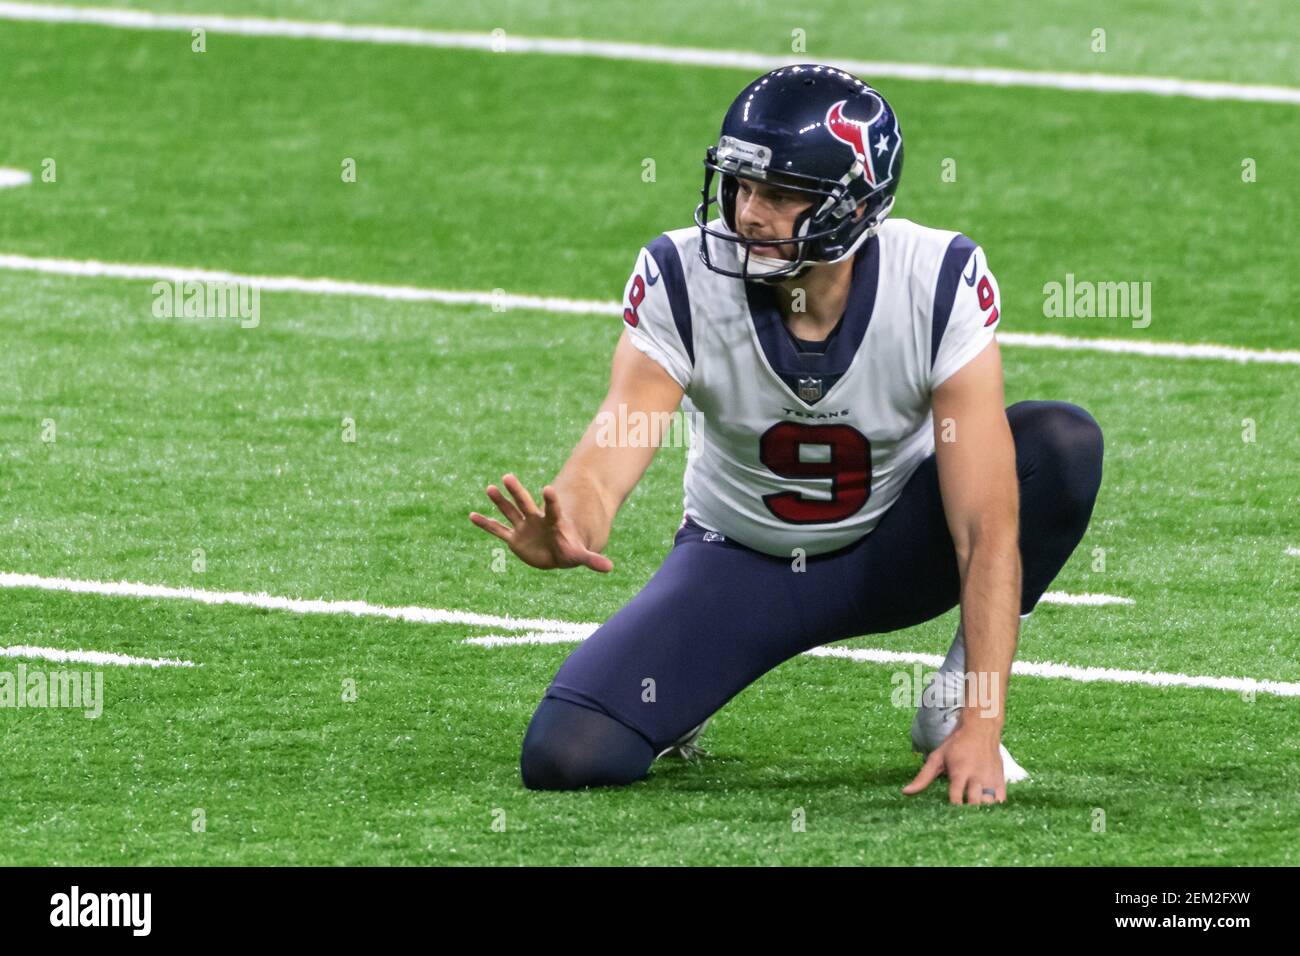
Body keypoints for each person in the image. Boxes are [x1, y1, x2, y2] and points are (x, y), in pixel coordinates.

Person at [469, 64, 1103, 805]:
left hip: (892, 549)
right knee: (566, 756)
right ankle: (694, 680)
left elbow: (985, 527)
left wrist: (983, 721)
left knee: (1058, 447)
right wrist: (572, 520)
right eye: (738, 186)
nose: (747, 213)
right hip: (742, 561)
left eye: (777, 193)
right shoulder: (682, 274)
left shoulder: (935, 278)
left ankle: (949, 708)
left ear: (856, 201)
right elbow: (616, 440)